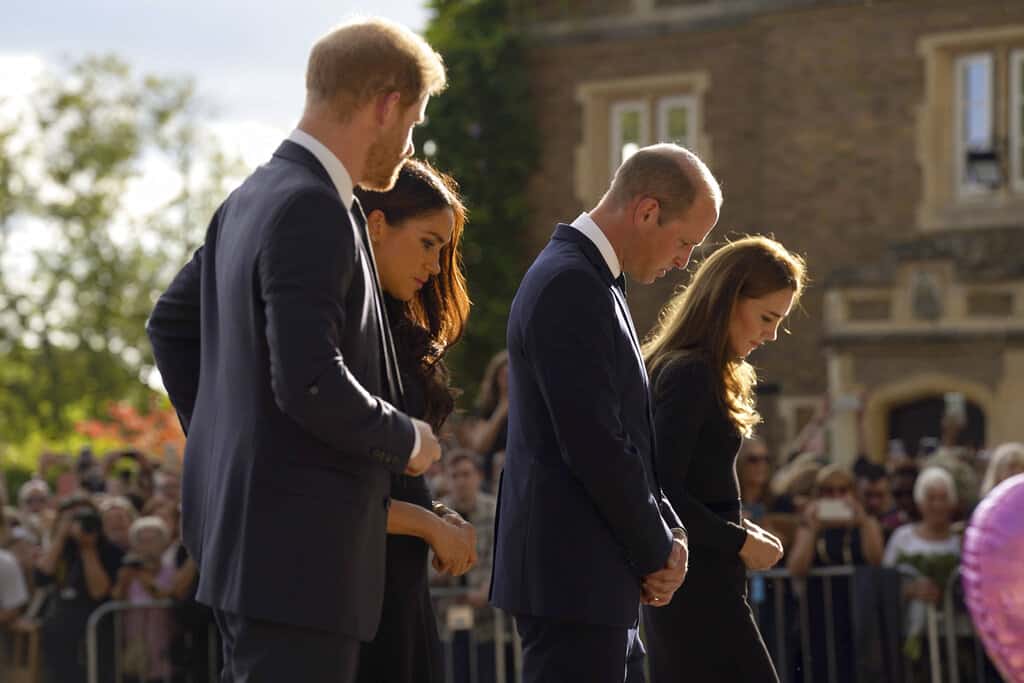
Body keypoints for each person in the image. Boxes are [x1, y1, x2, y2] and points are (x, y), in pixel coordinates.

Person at [145, 18, 446, 682]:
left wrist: (235, 441)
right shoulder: (312, 205)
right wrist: (407, 438)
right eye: (415, 122)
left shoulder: (251, 196)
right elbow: (310, 379)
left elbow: (171, 325)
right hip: (301, 563)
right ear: (387, 105)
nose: (409, 143)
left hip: (251, 552)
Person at [492, 144, 715, 682]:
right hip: (572, 580)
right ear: (645, 211)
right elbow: (594, 441)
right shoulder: (571, 282)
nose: (685, 261)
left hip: (594, 577)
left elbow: (626, 435)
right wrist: (656, 547)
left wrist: (668, 531)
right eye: (685, 241)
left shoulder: (594, 280)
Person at [640, 235, 803, 683]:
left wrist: (743, 531)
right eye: (766, 318)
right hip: (695, 587)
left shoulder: (699, 370)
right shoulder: (690, 372)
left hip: (705, 581)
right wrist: (739, 542)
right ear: (729, 299)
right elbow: (664, 490)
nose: (770, 335)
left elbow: (696, 486)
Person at [353, 158, 478, 683]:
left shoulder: (395, 325)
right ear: (377, 225)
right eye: (427, 243)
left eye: (442, 249)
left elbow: (389, 473)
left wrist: (436, 513)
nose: (434, 265)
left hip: (400, 588)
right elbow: (333, 489)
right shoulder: (343, 330)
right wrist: (428, 524)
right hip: (351, 597)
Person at [786, 465, 884, 683]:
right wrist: (812, 527)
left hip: (858, 605)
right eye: (828, 491)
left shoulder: (866, 521)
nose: (836, 496)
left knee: (859, 667)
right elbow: (797, 567)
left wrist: (862, 521)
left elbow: (876, 558)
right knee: (823, 666)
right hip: (820, 607)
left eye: (843, 490)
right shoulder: (809, 524)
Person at [35, 494, 124, 683]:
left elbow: (99, 591)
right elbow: (42, 576)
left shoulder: (109, 550)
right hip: (58, 632)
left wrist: (87, 549)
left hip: (93, 636)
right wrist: (60, 537)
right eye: (72, 518)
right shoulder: (60, 549)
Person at [437, 450, 500, 683]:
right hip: (447, 618)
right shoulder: (437, 515)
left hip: (489, 621)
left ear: (479, 476)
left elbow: (499, 556)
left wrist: (488, 589)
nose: (461, 481)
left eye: (466, 474)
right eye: (454, 476)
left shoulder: (495, 510)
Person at [467, 351, 509, 491]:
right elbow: (479, 445)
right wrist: (502, 409)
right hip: (491, 479)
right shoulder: (488, 408)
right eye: (504, 376)